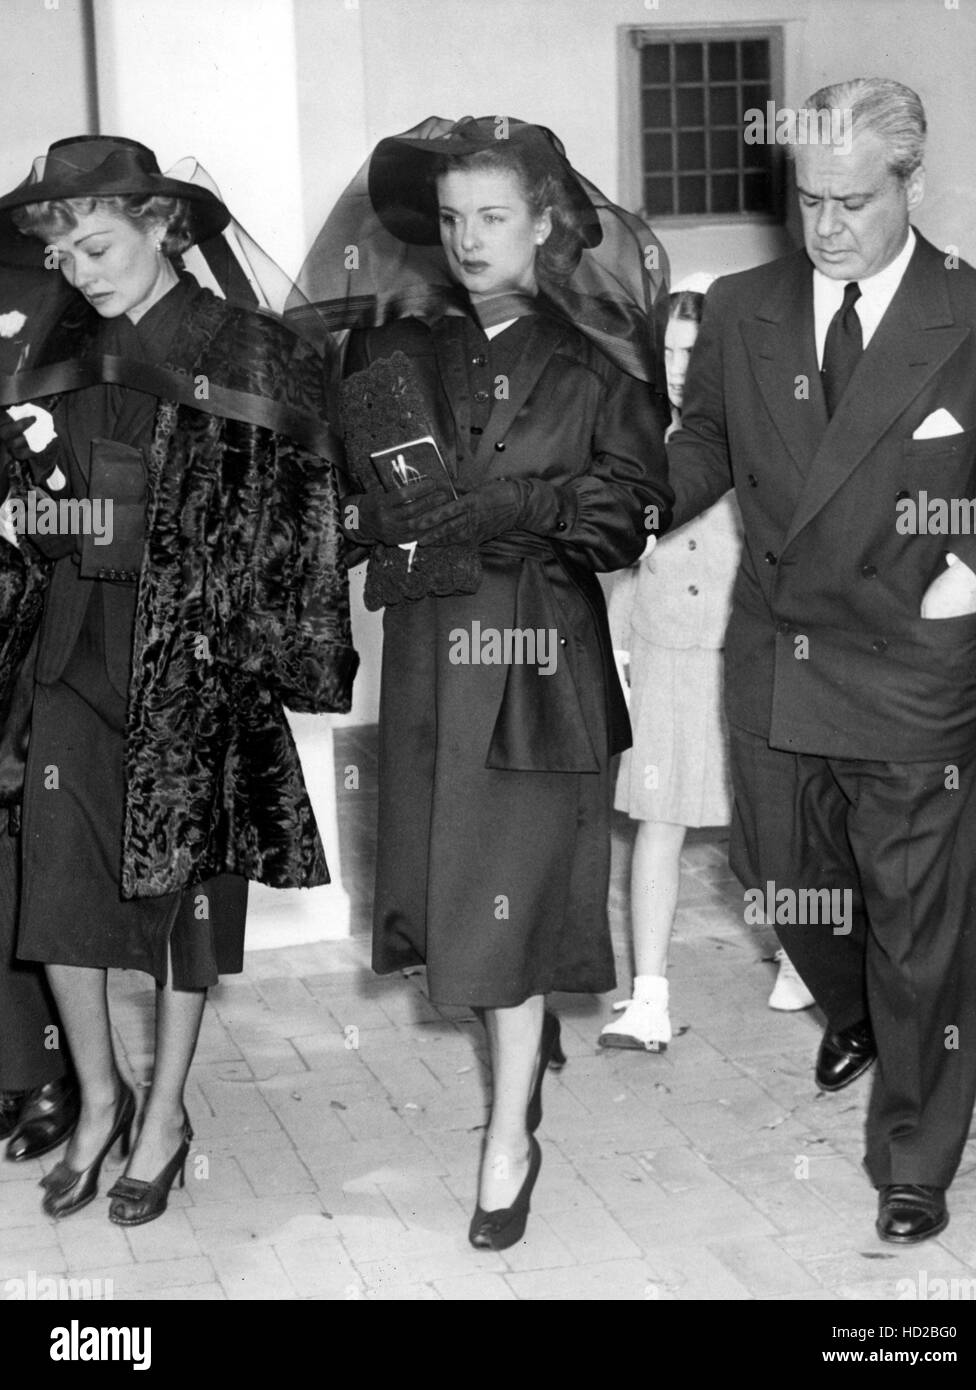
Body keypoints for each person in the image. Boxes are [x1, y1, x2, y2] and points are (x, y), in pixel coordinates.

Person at [295, 116, 672, 1249]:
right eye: (452, 218)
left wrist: (518, 506)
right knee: (455, 908)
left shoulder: (597, 364)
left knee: (500, 912)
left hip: (534, 660)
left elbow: (630, 520)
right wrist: (367, 519)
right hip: (428, 665)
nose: (467, 238)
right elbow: (355, 500)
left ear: (544, 224)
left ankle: (507, 1136)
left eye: (492, 216)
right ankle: (521, 1066)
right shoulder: (399, 356)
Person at [666, 77, 976, 1243]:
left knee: (922, 923)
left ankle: (912, 1153)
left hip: (914, 659)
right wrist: (615, 508)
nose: (824, 227)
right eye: (806, 199)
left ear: (908, 183)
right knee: (782, 882)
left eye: (851, 201)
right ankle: (854, 1005)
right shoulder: (742, 305)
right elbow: (700, 443)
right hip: (777, 650)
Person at [0, 135, 357, 1225]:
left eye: (101, 246)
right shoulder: (57, 346)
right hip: (73, 650)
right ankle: (99, 1100)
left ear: (161, 224)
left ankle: (164, 1114)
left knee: (184, 906)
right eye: (64, 256)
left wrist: (99, 522)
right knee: (57, 895)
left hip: (192, 665)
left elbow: (288, 526)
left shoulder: (244, 350)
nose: (84, 273)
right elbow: (35, 515)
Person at [602, 276, 748, 1050]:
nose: (682, 367)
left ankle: (803, 957)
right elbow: (619, 561)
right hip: (661, 653)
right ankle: (649, 997)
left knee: (771, 825)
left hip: (739, 652)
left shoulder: (755, 433)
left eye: (696, 351)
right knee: (656, 824)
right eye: (669, 351)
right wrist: (619, 648)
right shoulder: (634, 437)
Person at [0, 255, 80, 1162]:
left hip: (27, 621)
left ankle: (51, 1072)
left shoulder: (49, 317)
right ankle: (12, 1067)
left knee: (20, 850)